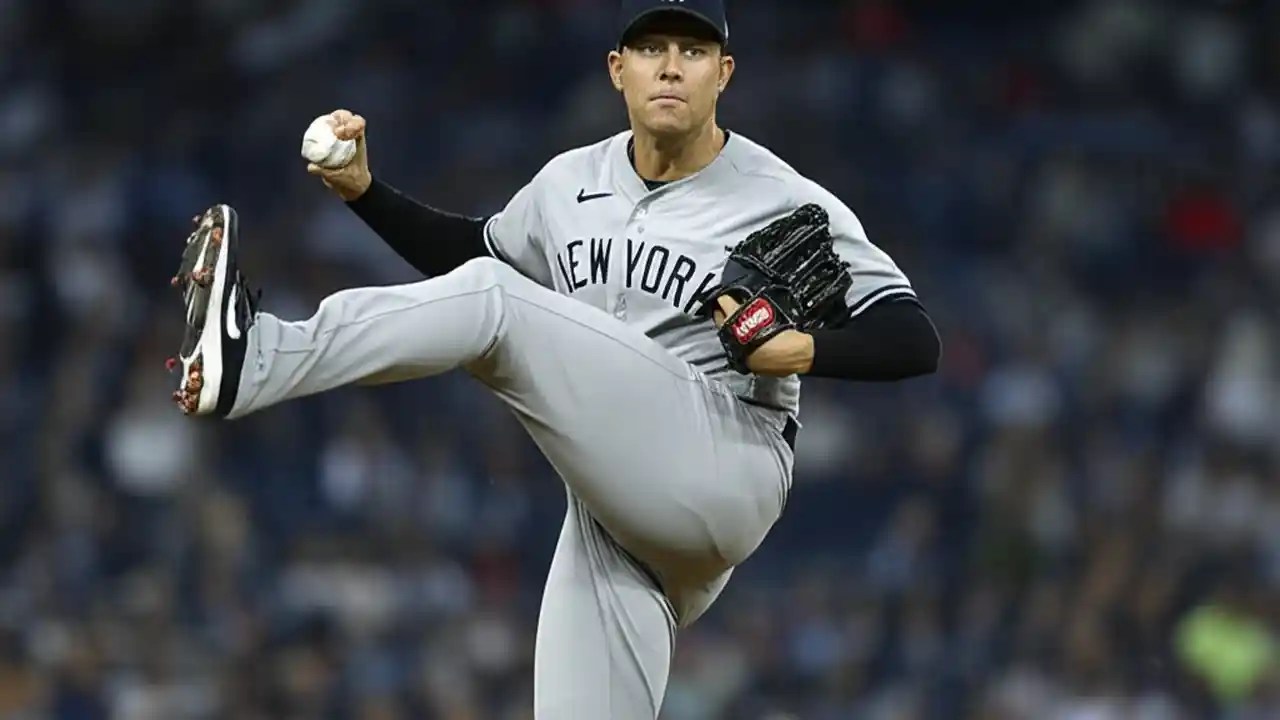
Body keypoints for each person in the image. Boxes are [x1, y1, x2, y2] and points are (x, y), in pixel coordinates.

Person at [168, 1, 941, 716]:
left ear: (723, 73)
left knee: (498, 303)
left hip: (726, 455)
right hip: (619, 510)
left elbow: (913, 340)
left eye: (694, 50)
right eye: (650, 48)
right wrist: (365, 191)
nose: (670, 66)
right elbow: (472, 251)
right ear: (617, 69)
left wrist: (803, 348)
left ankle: (259, 357)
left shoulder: (782, 197)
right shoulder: (571, 181)